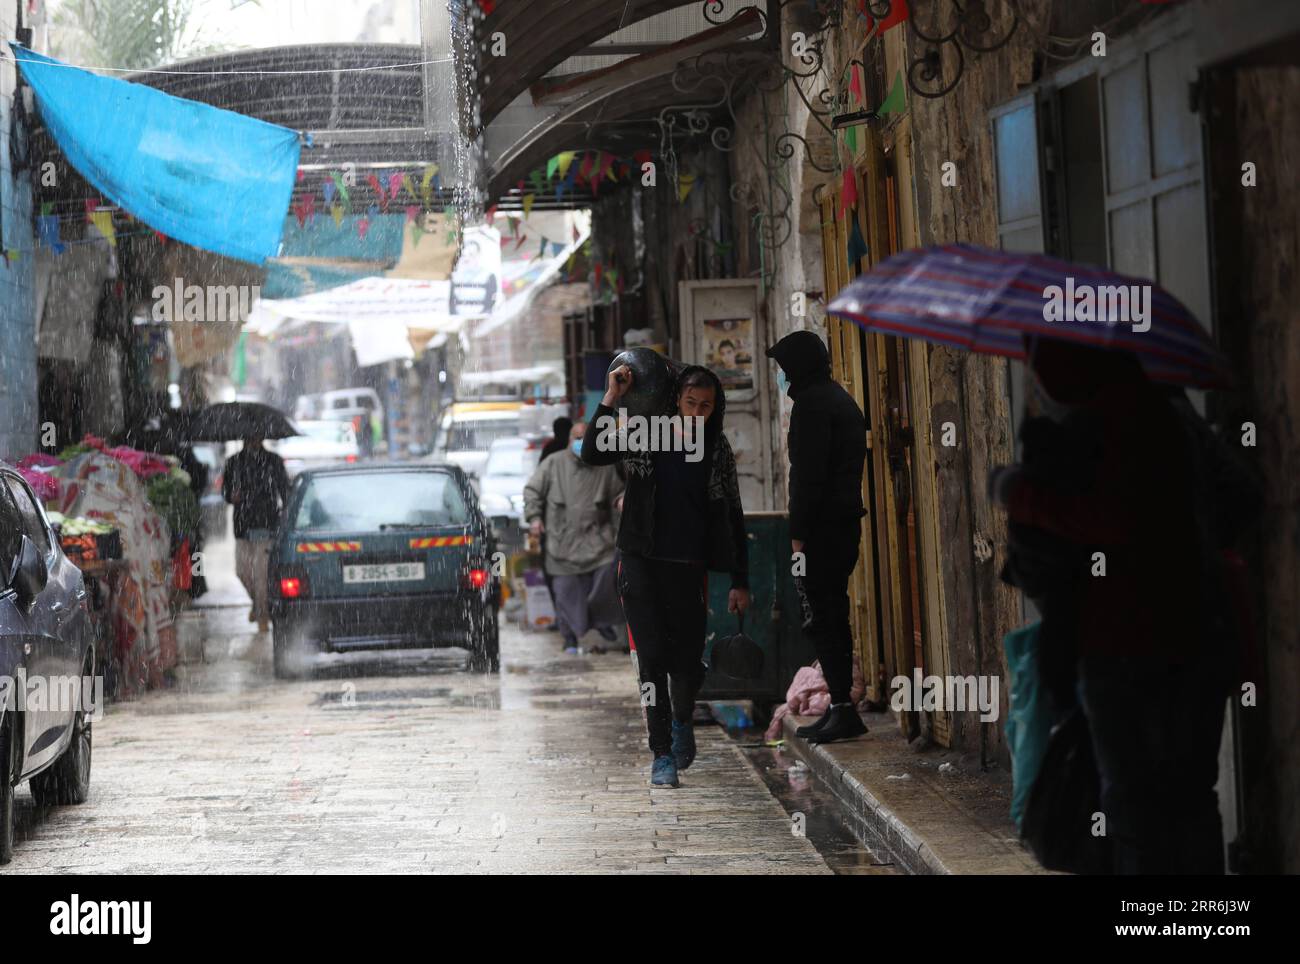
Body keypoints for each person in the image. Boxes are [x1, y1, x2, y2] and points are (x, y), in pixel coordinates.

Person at [989, 335, 1256, 874]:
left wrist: (1018, 493)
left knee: (1134, 809)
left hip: (1128, 647)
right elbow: (1242, 496)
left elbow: (1110, 519)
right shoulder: (1171, 412)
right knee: (1190, 800)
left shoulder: (1111, 424)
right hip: (1198, 634)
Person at [582, 362, 751, 788]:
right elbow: (592, 451)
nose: (696, 412)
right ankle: (661, 753)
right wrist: (611, 397)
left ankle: (681, 719)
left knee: (687, 665)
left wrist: (740, 579)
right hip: (640, 563)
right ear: (676, 400)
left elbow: (732, 512)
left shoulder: (716, 448)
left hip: (688, 569)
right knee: (652, 661)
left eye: (705, 406)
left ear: (716, 408)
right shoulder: (647, 433)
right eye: (690, 403)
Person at [765, 330, 869, 744]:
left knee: (823, 618)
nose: (782, 376)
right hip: (842, 525)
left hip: (821, 533)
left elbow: (806, 479)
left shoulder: (812, 406)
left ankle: (843, 709)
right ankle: (841, 706)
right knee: (831, 616)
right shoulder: (838, 398)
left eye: (783, 369)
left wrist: (797, 538)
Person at [524, 421, 624, 654]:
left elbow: (617, 494)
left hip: (598, 542)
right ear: (569, 440)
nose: (580, 443)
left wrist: (621, 501)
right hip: (562, 542)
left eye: (585, 438)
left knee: (608, 580)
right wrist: (535, 518)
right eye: (576, 438)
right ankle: (569, 637)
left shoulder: (605, 465)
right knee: (565, 593)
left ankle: (601, 621)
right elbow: (532, 492)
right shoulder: (553, 463)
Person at [221, 436, 290, 633]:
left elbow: (284, 490)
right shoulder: (233, 462)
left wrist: (286, 515)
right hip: (243, 525)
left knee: (261, 575)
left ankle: (263, 618)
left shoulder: (273, 460)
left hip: (267, 524)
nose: (252, 440)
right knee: (243, 572)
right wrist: (230, 495)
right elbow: (225, 491)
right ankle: (259, 603)